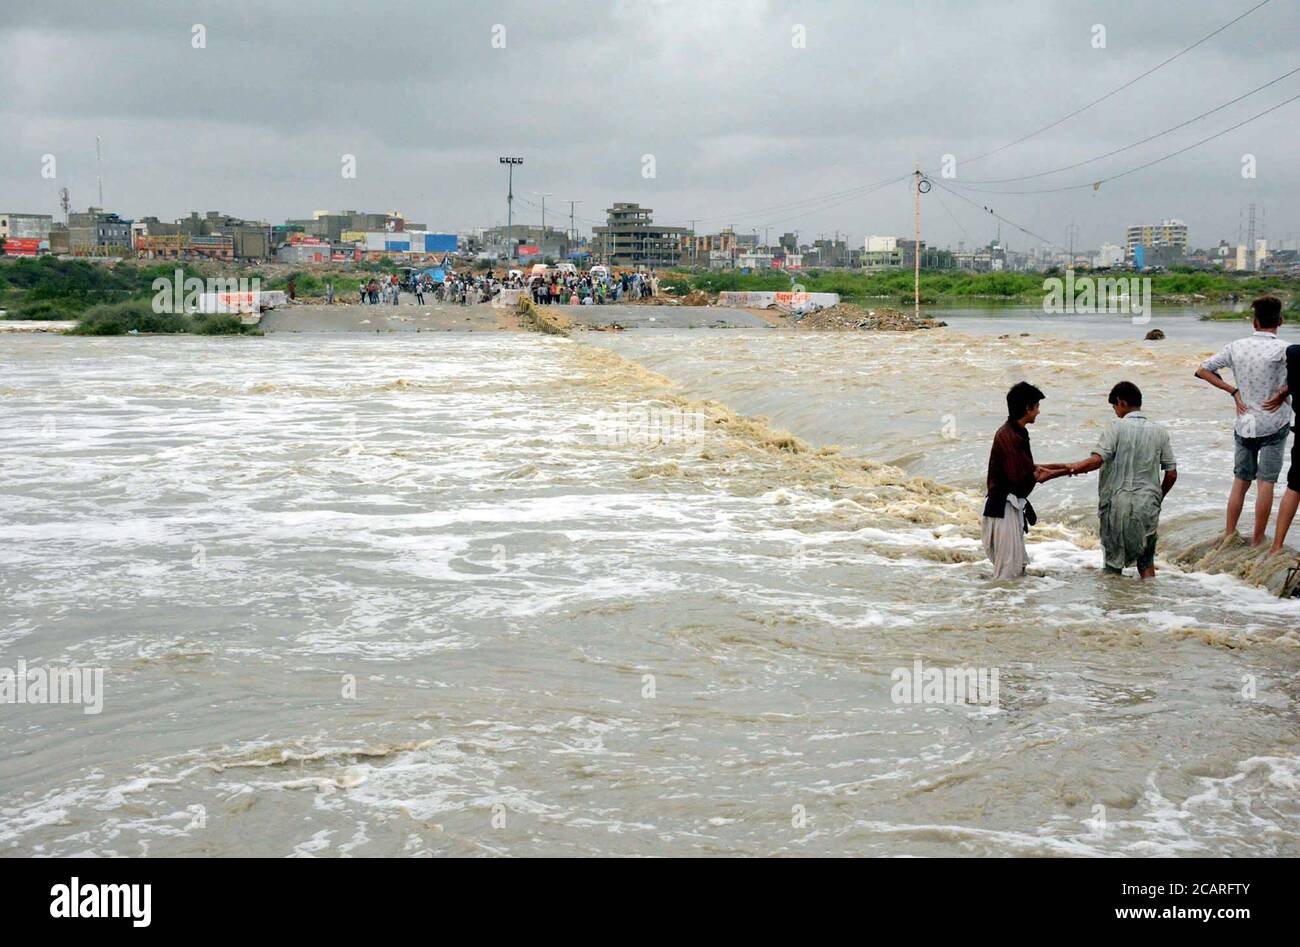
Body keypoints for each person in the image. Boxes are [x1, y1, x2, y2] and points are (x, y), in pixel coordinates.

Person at [1194, 294, 1291, 545]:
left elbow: (1202, 369)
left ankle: (1229, 534)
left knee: (1240, 481)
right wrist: (1283, 392)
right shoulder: (1284, 349)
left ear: (1254, 322)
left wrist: (1233, 391)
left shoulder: (1236, 346)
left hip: (1244, 422)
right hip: (1274, 422)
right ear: (1280, 320)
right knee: (1266, 483)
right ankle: (1258, 539)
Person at [1061, 382, 1177, 578]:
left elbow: (1097, 460)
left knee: (1113, 566)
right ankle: (1150, 604)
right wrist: (1157, 498)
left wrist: (1067, 469)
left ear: (1121, 403)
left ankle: (1115, 605)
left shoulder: (1115, 427)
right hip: (1148, 505)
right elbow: (1172, 474)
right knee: (1146, 564)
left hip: (1118, 507)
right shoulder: (1160, 432)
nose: (1115, 412)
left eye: (1115, 407)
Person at [981, 382, 1070, 579]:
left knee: (1015, 569)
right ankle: (1002, 608)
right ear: (1028, 408)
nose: (1038, 411)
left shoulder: (1014, 432)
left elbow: (1027, 468)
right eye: (1037, 406)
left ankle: (1011, 607)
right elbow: (1021, 478)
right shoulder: (1010, 436)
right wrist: (1064, 471)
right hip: (1003, 508)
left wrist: (1064, 467)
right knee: (1007, 574)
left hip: (1004, 507)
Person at [1265, 342, 1300, 554]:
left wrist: (1281, 393)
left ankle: (1276, 546)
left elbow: (1292, 382)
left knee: (1295, 487)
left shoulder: (1295, 353)